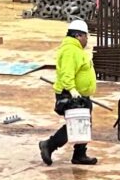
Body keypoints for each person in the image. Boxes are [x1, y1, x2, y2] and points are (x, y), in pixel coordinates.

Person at [40, 17, 97, 166]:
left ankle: (79, 154)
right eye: (85, 36)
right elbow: (67, 73)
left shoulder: (76, 49)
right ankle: (49, 145)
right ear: (78, 35)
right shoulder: (70, 50)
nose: (87, 39)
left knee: (84, 124)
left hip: (80, 94)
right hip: (71, 93)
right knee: (75, 124)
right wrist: (72, 90)